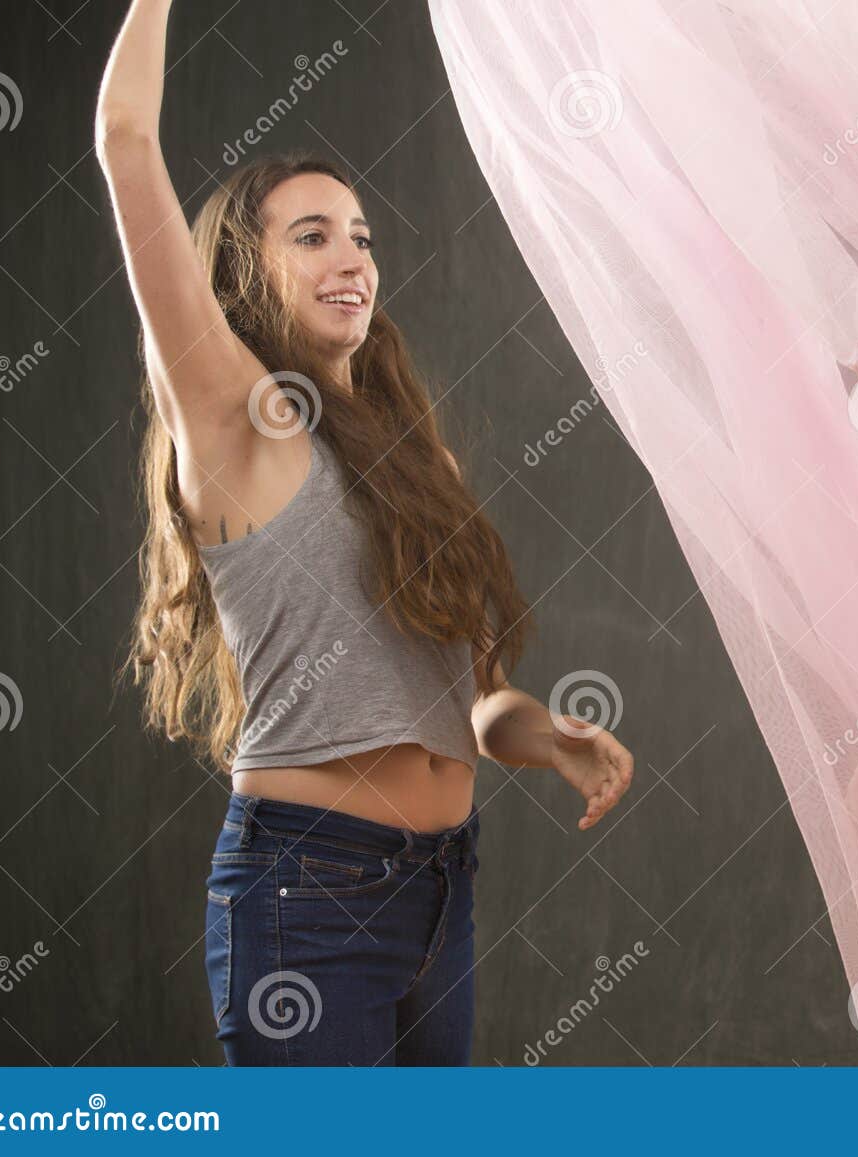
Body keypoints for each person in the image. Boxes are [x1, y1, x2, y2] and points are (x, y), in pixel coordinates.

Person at [97, 0, 634, 1065]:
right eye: (311, 236)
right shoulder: (235, 421)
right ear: (248, 272)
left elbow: (461, 697)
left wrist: (545, 736)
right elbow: (123, 141)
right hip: (307, 894)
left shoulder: (410, 456)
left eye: (361, 236)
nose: (351, 257)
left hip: (442, 895)